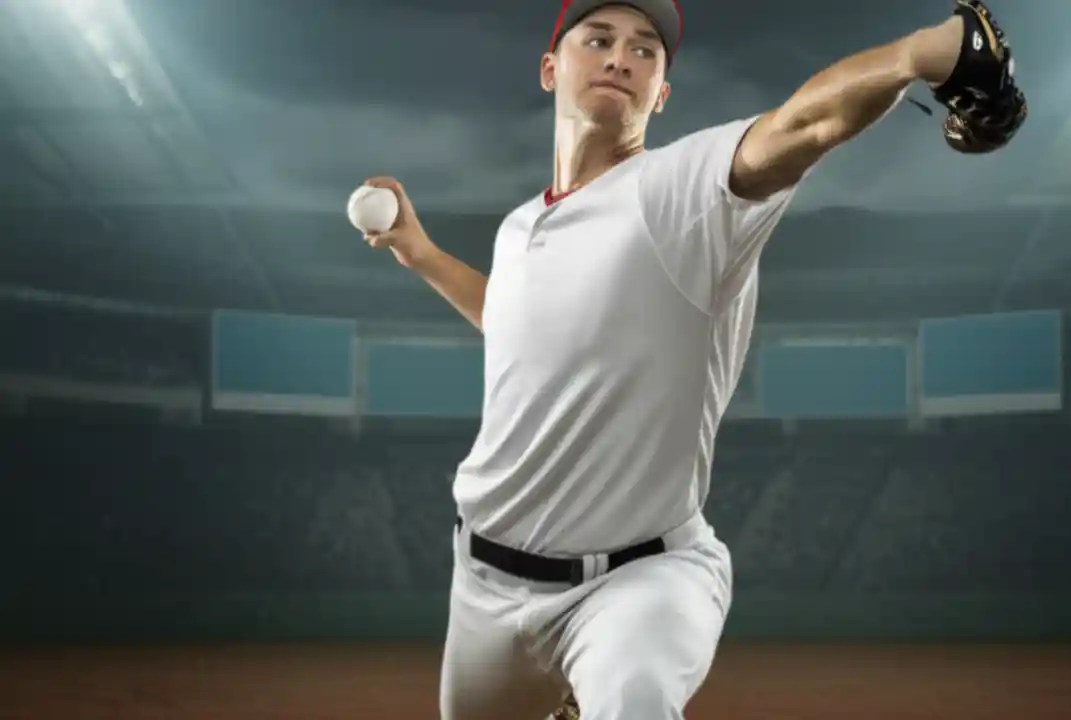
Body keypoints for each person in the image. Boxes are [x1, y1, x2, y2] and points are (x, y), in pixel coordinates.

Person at [361, 2, 1025, 717]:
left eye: (646, 51)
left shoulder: (674, 193)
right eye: (599, 39)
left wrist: (926, 53)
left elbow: (803, 124)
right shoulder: (520, 226)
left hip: (638, 584)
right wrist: (422, 255)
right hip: (483, 588)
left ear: (661, 94)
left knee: (634, 701)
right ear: (552, 70)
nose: (622, 57)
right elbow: (517, 326)